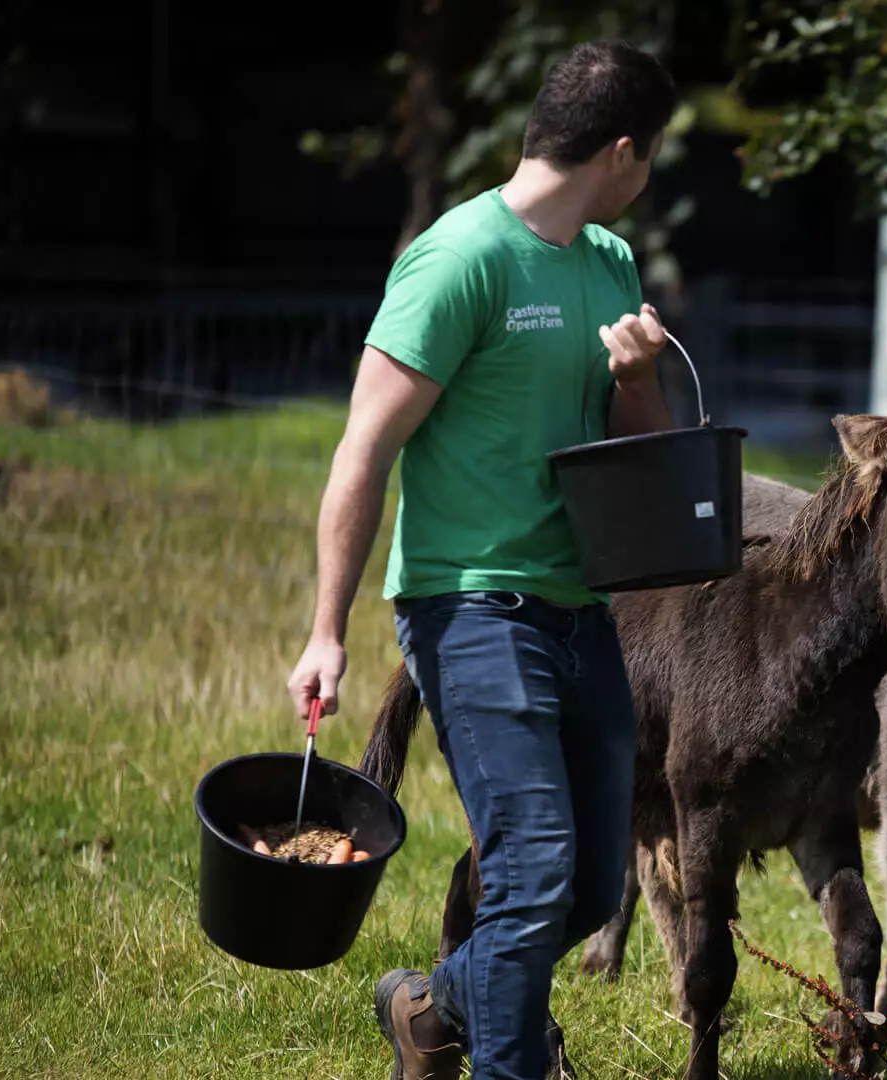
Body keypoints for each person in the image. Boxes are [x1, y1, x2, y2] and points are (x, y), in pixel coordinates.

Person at [282, 40, 678, 1080]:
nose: (646, 179)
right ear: (623, 152)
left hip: (581, 610)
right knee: (534, 876)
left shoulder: (609, 262)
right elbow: (364, 448)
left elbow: (637, 452)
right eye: (650, 159)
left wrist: (639, 380)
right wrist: (326, 631)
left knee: (588, 886)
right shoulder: (460, 259)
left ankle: (431, 1007)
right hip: (469, 610)